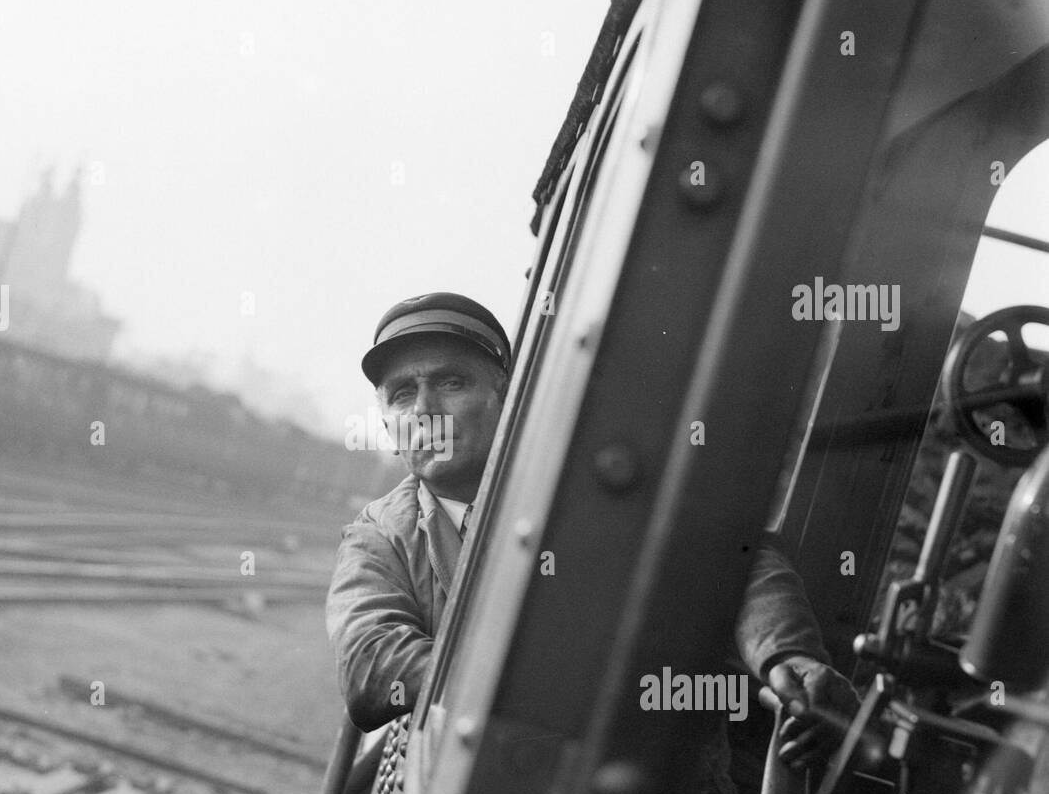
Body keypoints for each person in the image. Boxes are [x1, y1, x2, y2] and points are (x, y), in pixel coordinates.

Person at [326, 292, 857, 770]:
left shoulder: (597, 485)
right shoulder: (378, 535)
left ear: (507, 399)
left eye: (451, 382)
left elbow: (733, 557)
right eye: (401, 394)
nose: (424, 411)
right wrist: (547, 680)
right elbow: (372, 666)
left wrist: (786, 655)